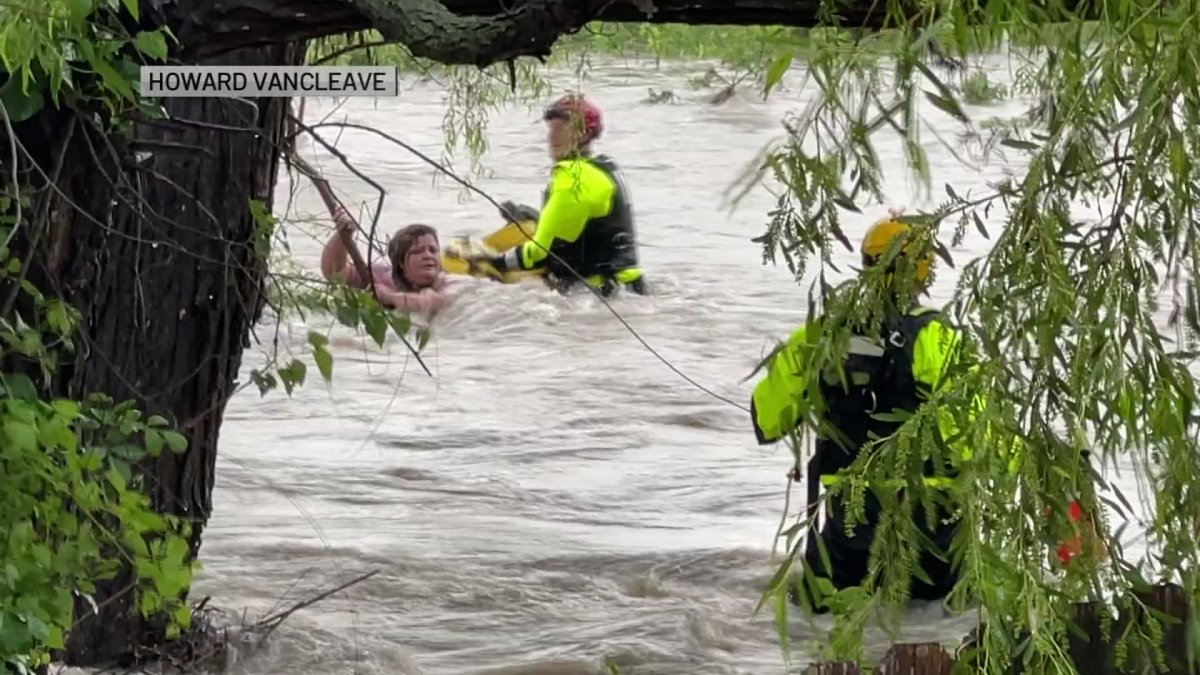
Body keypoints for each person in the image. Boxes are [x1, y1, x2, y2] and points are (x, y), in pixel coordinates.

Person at [749, 211, 973, 613]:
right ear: (925, 271)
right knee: (938, 626)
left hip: (849, 527)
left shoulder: (822, 335)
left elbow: (768, 420)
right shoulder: (944, 340)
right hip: (933, 526)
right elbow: (986, 441)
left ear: (867, 264)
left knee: (822, 620)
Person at [464, 94, 647, 297]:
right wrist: (536, 219)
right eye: (551, 129)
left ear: (584, 134)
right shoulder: (601, 167)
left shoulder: (573, 178)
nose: (552, 137)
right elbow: (579, 230)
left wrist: (492, 262)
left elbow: (540, 252)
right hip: (627, 288)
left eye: (561, 130)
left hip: (597, 297)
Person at [320, 204, 454, 315]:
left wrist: (389, 297)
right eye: (417, 251)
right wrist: (343, 234)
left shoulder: (447, 282)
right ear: (401, 262)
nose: (428, 255)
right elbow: (334, 273)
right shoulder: (381, 276)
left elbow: (434, 304)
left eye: (433, 250)